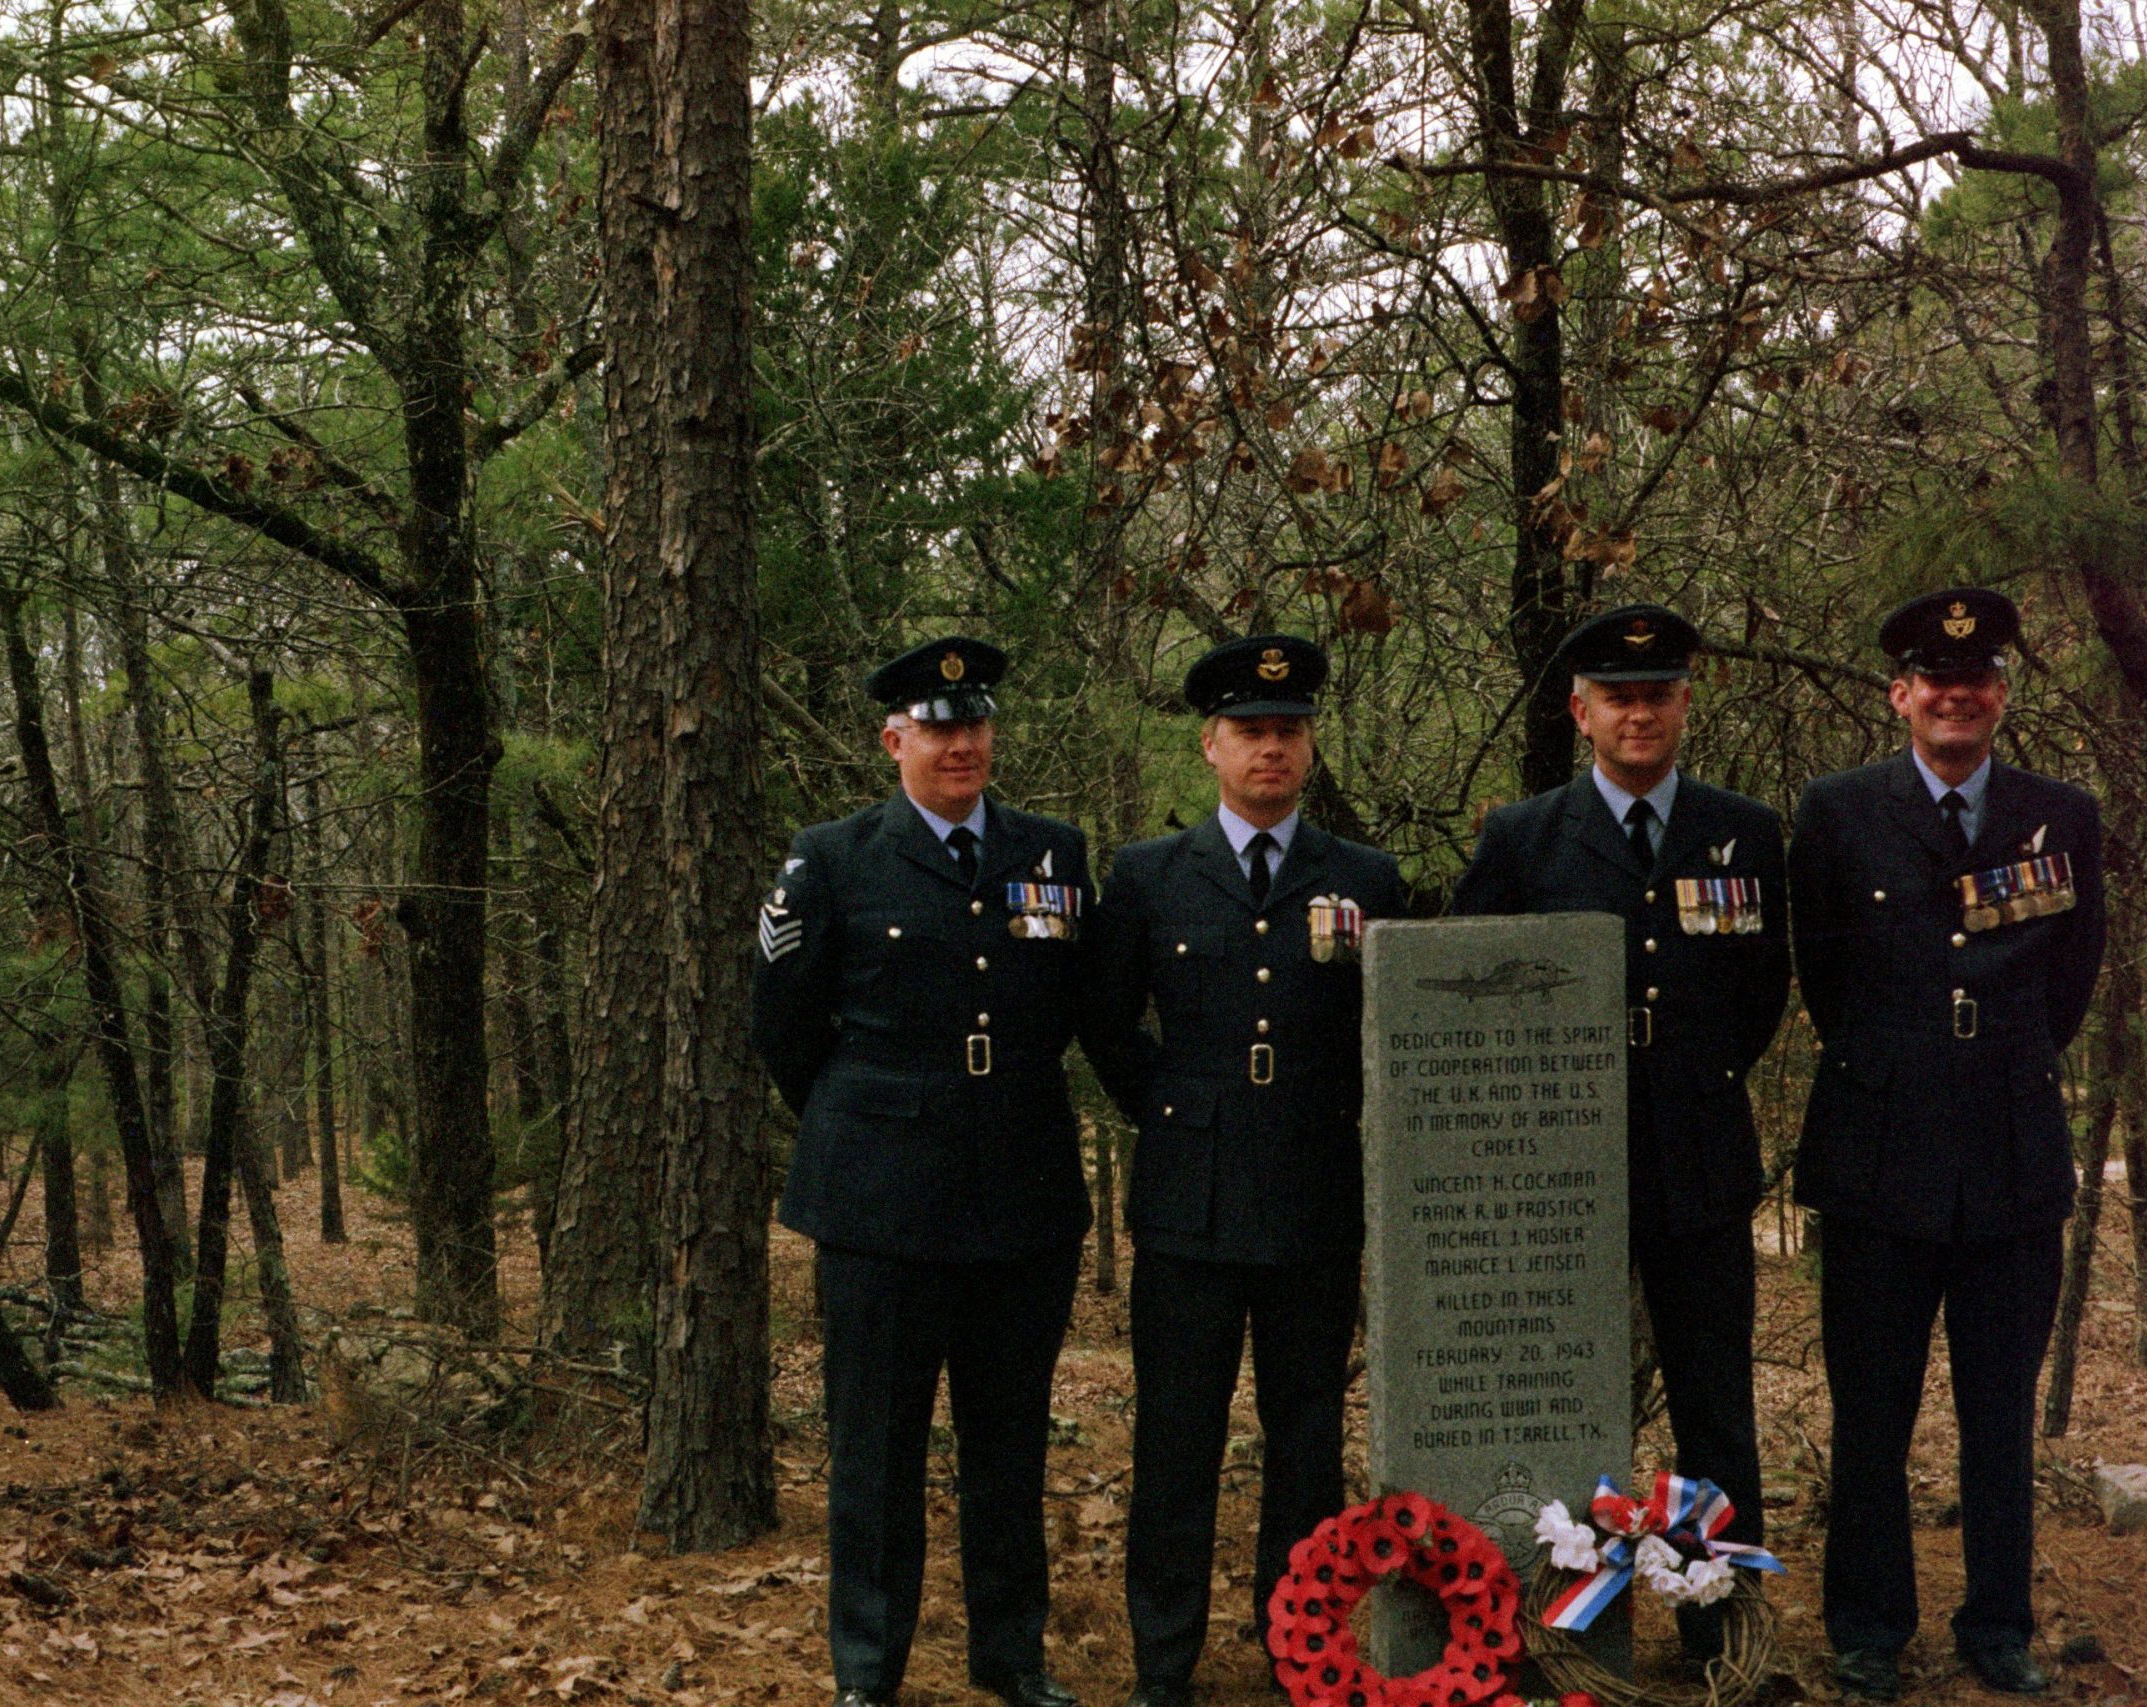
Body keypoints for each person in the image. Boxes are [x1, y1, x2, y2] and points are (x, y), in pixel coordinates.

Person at [752, 637, 1111, 1707]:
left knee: (1007, 1449)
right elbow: (784, 1028)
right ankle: (868, 1670)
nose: (962, 745)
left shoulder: (1053, 853)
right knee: (876, 1453)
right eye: (939, 727)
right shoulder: (833, 857)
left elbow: (1078, 1009)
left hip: (1020, 1193)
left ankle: (1013, 1657)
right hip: (880, 1200)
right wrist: (873, 1120)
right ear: (893, 737)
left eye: (976, 725)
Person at [1449, 602, 1791, 1663]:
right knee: (1558, 1397)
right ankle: (1563, 1639)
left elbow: (1761, 995)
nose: (1638, 715)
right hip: (1560, 1164)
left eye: (1657, 695)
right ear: (1579, 712)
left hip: (1695, 1145)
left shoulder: (1743, 832)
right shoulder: (1524, 836)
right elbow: (1468, 984)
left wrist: (1686, 1070)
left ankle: (1717, 1633)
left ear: (1686, 703)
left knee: (1714, 1408)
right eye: (1617, 699)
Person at [1788, 587, 2106, 1701]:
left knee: (1997, 1411)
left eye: (1975, 680)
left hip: (2009, 1155)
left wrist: (1993, 1058)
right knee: (1870, 1410)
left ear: (2000, 697)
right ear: (1900, 695)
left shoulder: (2058, 815)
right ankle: (1869, 1628)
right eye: (1934, 679)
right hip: (1878, 1150)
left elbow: (2068, 982)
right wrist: (1905, 1054)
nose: (1955, 696)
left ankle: (1997, 1624)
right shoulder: (1835, 812)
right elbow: (1825, 978)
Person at [1087, 635, 1407, 1707]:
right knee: (1176, 1441)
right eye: (1250, 732)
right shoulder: (1145, 874)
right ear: (1209, 746)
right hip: (1190, 1199)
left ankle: (1301, 1651)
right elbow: (1105, 1023)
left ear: (1309, 748)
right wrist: (1179, 1117)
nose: (1270, 749)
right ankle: (1162, 1665)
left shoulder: (1365, 879)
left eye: (1289, 731)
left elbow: (1389, 1034)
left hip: (1316, 1196)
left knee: (1306, 1442)